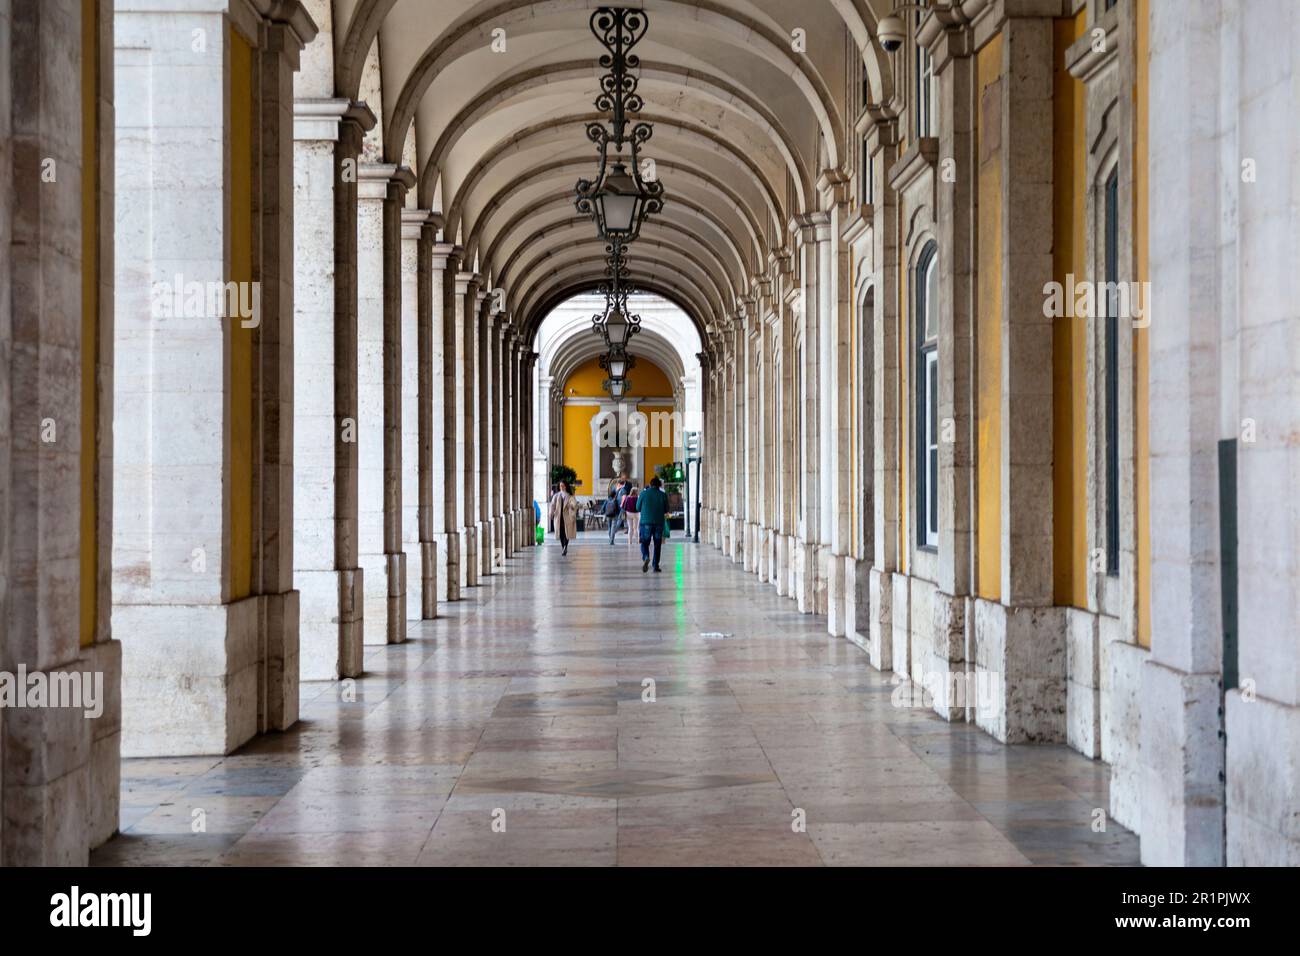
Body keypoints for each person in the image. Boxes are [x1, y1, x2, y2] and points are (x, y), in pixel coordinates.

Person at [636, 477, 669, 573]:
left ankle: (646, 557)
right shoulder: (663, 495)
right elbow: (666, 509)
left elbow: (637, 507)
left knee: (644, 542)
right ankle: (655, 566)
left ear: (650, 484)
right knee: (657, 545)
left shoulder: (643, 494)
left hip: (645, 522)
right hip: (658, 522)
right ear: (659, 485)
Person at [548, 481, 578, 556]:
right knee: (561, 533)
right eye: (560, 486)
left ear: (566, 486)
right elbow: (552, 505)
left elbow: (574, 504)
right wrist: (550, 514)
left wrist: (571, 505)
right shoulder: (556, 496)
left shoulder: (570, 496)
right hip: (559, 517)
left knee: (566, 533)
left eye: (563, 486)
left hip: (567, 517)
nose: (562, 487)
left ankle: (565, 546)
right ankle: (563, 548)